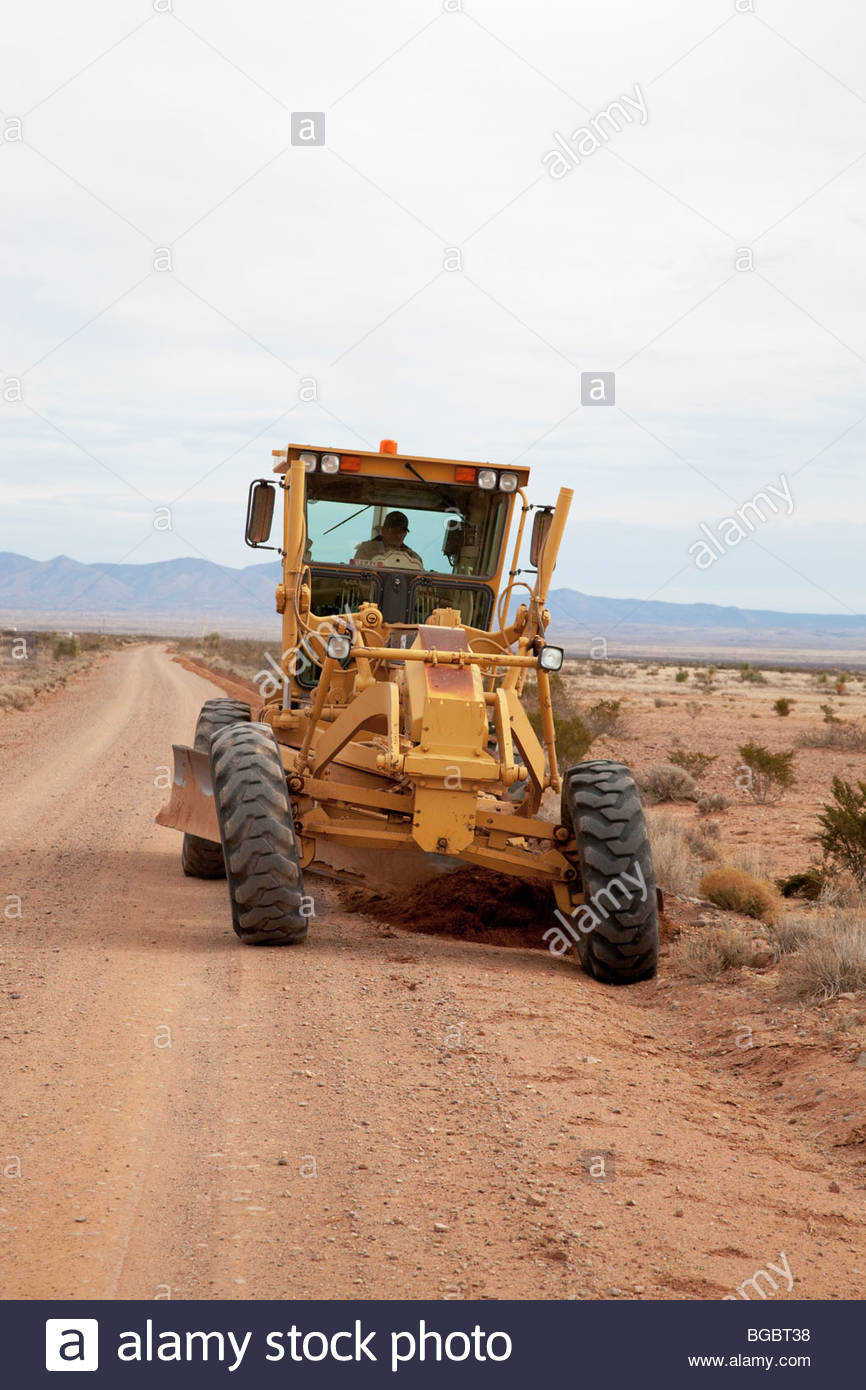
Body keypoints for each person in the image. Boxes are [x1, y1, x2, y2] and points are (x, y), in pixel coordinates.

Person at [351, 511, 423, 567]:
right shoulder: (366, 550)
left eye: (402, 532)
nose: (398, 536)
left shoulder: (413, 558)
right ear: (383, 530)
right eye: (394, 531)